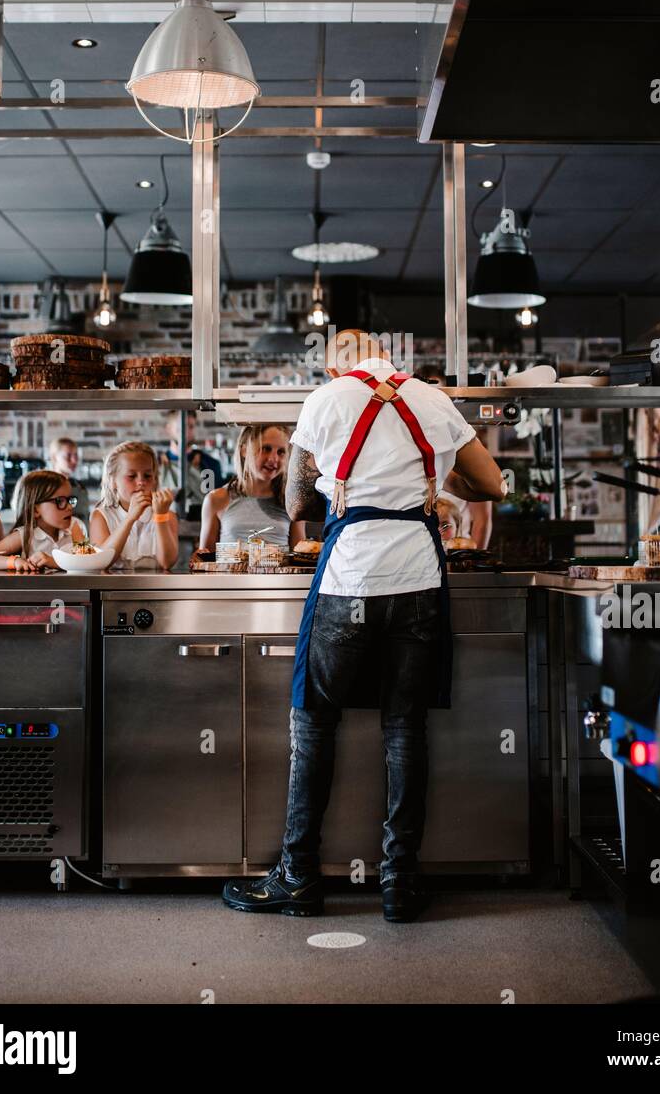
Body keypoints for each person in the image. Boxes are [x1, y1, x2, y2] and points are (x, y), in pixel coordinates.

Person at [222, 329, 505, 922]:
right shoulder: (431, 399)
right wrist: (429, 476)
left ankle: (298, 876)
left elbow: (298, 503)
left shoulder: (326, 401)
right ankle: (399, 885)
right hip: (419, 579)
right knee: (405, 728)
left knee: (315, 722)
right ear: (392, 357)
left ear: (333, 368)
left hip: (350, 579)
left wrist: (350, 479)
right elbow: (491, 485)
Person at [413, 365, 493, 549]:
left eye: (437, 395)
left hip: (456, 550)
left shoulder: (464, 443)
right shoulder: (405, 441)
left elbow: (482, 519)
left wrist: (471, 563)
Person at [194, 423, 304, 557]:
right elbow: (205, 559)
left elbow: (301, 556)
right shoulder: (216, 499)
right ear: (244, 450)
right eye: (266, 449)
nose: (273, 459)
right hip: (229, 578)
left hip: (278, 578)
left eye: (281, 452)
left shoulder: (292, 501)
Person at [90, 441, 178, 570]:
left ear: (155, 479)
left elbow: (167, 563)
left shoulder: (166, 515)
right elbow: (100, 562)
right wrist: (130, 518)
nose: (141, 482)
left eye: (147, 476)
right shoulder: (101, 516)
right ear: (113, 480)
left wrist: (161, 517)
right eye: (131, 476)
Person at [0, 469, 86, 572]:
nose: (69, 507)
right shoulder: (25, 535)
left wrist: (53, 562)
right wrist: (14, 561)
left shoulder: (74, 528)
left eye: (69, 500)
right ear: (36, 510)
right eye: (60, 501)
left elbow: (86, 562)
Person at [160, 411, 223, 515]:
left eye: (191, 426)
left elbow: (220, 504)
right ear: (169, 429)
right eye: (181, 426)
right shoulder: (157, 465)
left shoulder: (210, 465)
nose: (186, 431)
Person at [47, 436, 90, 523]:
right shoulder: (45, 487)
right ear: (54, 457)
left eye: (76, 455)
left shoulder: (79, 487)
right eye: (68, 455)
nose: (74, 460)